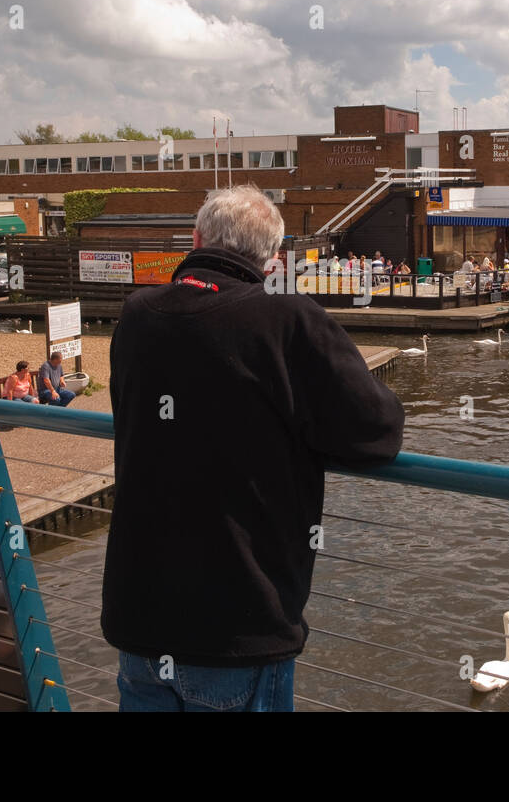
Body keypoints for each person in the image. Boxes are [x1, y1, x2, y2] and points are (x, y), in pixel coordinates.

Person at [102, 185, 404, 712]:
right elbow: (375, 431)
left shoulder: (138, 313)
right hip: (236, 627)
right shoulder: (286, 318)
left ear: (195, 240)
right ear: (273, 260)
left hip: (139, 620)